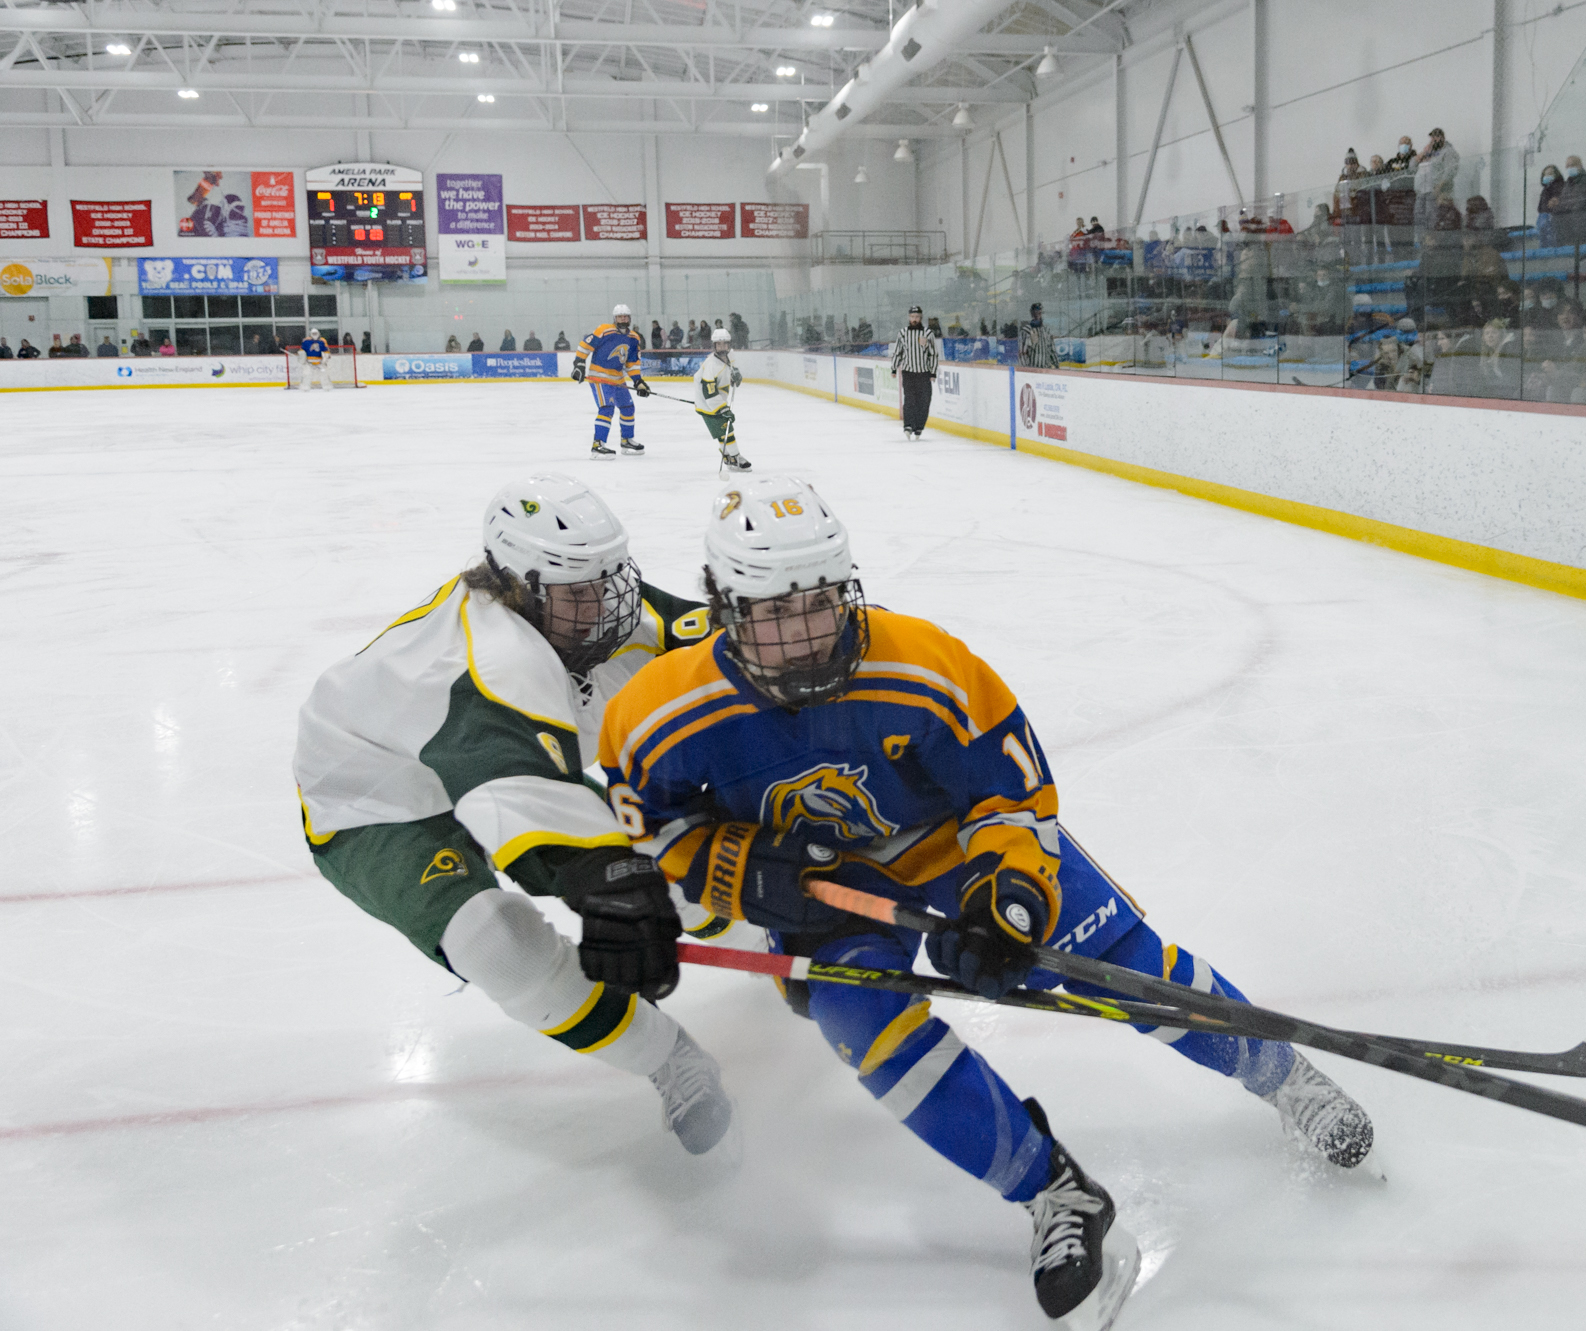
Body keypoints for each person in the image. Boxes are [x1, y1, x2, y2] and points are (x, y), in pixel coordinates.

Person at [597, 476, 1373, 1330]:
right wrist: (742, 872)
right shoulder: (653, 712)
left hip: (957, 853)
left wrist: (1006, 900)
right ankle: (1055, 1192)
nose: (806, 633)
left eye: (819, 602)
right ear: (722, 604)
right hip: (828, 897)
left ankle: (1285, 1075)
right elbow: (655, 830)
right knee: (866, 1029)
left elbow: (1013, 799)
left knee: (1121, 967)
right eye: (773, 612)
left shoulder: (928, 665)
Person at [294, 474, 734, 1159]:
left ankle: (765, 944)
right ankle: (669, 1057)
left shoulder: (572, 608)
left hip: (490, 755)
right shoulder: (499, 664)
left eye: (607, 578)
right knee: (494, 944)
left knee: (670, 853)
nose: (606, 604)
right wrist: (607, 879)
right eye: (580, 591)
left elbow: (703, 637)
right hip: (377, 798)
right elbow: (529, 807)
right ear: (522, 587)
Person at [571, 304, 651, 458]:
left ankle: (627, 440)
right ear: (615, 318)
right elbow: (584, 345)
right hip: (600, 377)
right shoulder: (604, 330)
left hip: (618, 379)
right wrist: (579, 364)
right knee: (607, 408)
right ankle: (598, 445)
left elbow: (632, 363)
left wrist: (638, 381)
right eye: (620, 316)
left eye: (626, 316)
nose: (623, 319)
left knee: (628, 407)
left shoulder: (634, 338)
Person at [694, 327, 752, 472]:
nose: (722, 347)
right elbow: (709, 393)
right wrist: (723, 409)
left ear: (729, 344)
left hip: (717, 400)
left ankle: (727, 456)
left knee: (722, 430)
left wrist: (735, 374)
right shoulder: (711, 365)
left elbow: (731, 367)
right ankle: (735, 457)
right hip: (708, 404)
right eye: (718, 345)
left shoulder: (730, 355)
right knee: (726, 429)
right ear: (714, 346)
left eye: (724, 344)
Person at [888, 304, 940, 439]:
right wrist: (894, 368)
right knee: (910, 400)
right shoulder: (903, 333)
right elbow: (898, 352)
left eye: (917, 316)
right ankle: (908, 425)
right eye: (912, 317)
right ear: (908, 317)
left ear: (921, 317)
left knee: (924, 401)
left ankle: (919, 427)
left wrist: (933, 372)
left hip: (923, 373)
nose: (914, 319)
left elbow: (933, 354)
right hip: (908, 372)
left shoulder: (928, 333)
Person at [1550, 156, 1586, 247]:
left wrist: (1569, 206)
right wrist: (1557, 205)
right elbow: (1564, 201)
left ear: (1580, 165)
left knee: (1577, 218)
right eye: (1568, 166)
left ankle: (1578, 248)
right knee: (1555, 218)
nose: (1570, 168)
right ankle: (1563, 249)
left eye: (1572, 165)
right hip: (1574, 214)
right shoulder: (1568, 183)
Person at [1413, 127, 1459, 234]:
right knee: (1419, 218)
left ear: (1442, 138)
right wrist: (1422, 154)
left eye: (1437, 137)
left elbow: (1451, 170)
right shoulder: (1429, 152)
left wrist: (1440, 186)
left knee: (1432, 218)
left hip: (1436, 191)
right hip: (1421, 191)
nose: (1434, 140)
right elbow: (1412, 166)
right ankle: (1421, 241)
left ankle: (1432, 242)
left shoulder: (1448, 151)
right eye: (1432, 137)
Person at [1019, 302, 1057, 369]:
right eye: (1035, 313)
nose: (1037, 315)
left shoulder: (1047, 331)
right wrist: (1025, 370)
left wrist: (1057, 366)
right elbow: (1022, 354)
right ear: (1031, 314)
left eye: (1039, 313)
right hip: (1033, 370)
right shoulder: (1026, 331)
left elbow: (1052, 350)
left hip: (1046, 370)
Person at [1535, 164, 1565, 246]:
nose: (1547, 176)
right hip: (1544, 217)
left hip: (1554, 218)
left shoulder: (1560, 186)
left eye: (1550, 174)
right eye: (1545, 174)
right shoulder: (1545, 189)